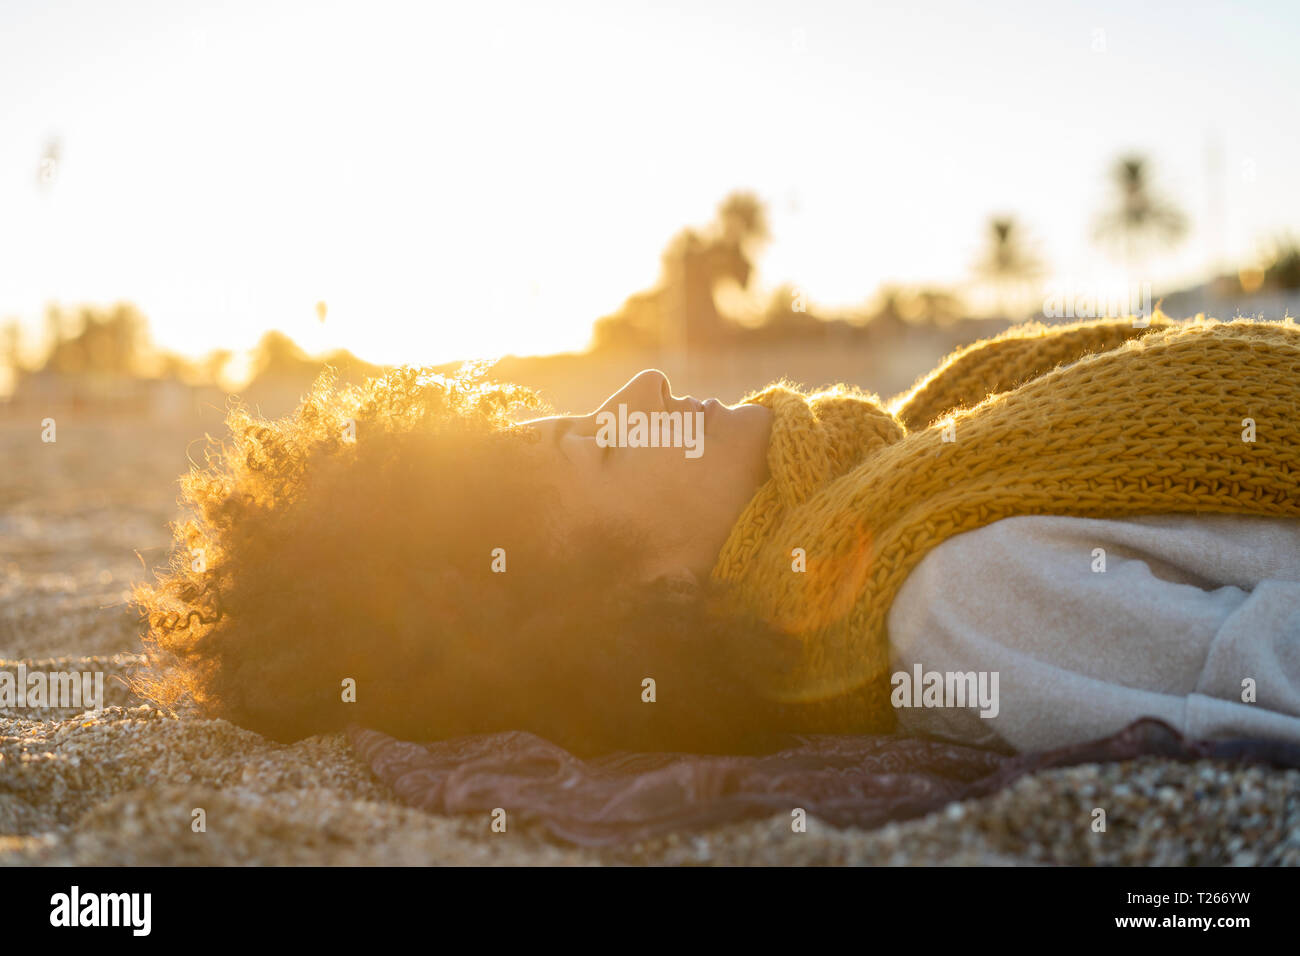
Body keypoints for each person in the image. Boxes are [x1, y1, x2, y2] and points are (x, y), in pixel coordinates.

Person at [134, 313, 1300, 755]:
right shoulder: (964, 605)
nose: (641, 386)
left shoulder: (935, 439)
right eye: (602, 444)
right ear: (633, 595)